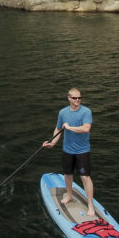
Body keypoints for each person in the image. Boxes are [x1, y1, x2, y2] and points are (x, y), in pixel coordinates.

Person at [42, 87, 95, 217]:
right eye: (75, 98)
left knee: (84, 177)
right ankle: (70, 196)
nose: (78, 100)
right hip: (67, 150)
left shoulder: (86, 112)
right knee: (67, 174)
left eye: (79, 98)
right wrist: (52, 143)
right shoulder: (63, 113)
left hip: (82, 151)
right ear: (69, 98)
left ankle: (90, 205)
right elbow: (58, 128)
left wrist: (70, 127)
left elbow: (86, 128)